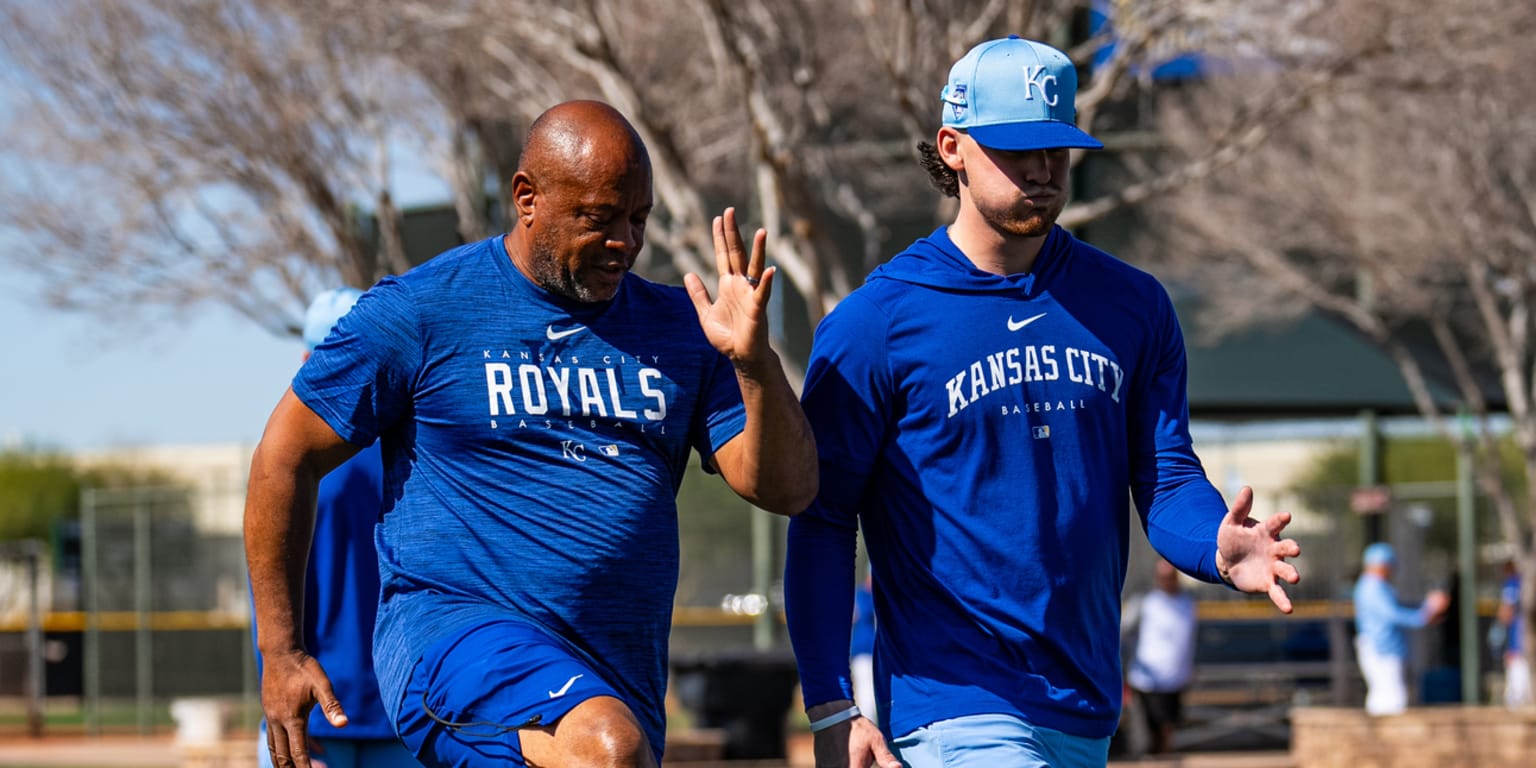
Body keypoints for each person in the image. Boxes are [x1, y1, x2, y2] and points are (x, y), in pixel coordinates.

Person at [244, 99, 817, 768]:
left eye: (638, 220)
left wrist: (754, 364)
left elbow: (788, 488)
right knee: (606, 746)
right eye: (599, 219)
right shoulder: (423, 311)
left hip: (613, 667)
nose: (626, 243)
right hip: (453, 641)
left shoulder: (681, 331)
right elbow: (282, 457)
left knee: (610, 742)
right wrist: (281, 652)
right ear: (527, 198)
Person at [783, 35, 1301, 768]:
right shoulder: (876, 323)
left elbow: (1167, 478)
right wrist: (832, 703)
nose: (1042, 167)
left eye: (1056, 146)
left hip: (1084, 706)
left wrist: (1216, 543)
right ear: (952, 147)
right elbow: (823, 520)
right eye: (1016, 147)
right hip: (953, 703)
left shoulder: (1132, 305)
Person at [251, 288, 422, 768]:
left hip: (311, 711)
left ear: (307, 359)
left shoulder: (284, 465)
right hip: (409, 709)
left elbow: (265, 592)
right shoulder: (416, 456)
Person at [1351, 542, 1449, 716]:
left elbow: (1396, 608)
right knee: (1391, 699)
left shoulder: (1375, 586)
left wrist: (1425, 608)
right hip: (1381, 649)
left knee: (1386, 696)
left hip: (1384, 648)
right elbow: (1391, 614)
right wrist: (1425, 614)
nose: (1392, 570)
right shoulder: (1372, 587)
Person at [1124, 559, 1198, 756]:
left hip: (1175, 679)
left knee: (1167, 733)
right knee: (1146, 739)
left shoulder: (1187, 603)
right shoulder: (1145, 602)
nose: (1167, 581)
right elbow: (1124, 633)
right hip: (1145, 680)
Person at [1496, 560, 1530, 708]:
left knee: (1517, 695)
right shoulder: (1526, 583)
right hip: (1522, 641)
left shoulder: (1513, 583)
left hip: (1519, 641)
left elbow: (1506, 611)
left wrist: (1500, 622)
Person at [849, 572, 877, 722]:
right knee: (866, 693)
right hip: (861, 653)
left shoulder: (877, 595)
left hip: (876, 654)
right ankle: (869, 724)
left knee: (873, 694)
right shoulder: (860, 595)